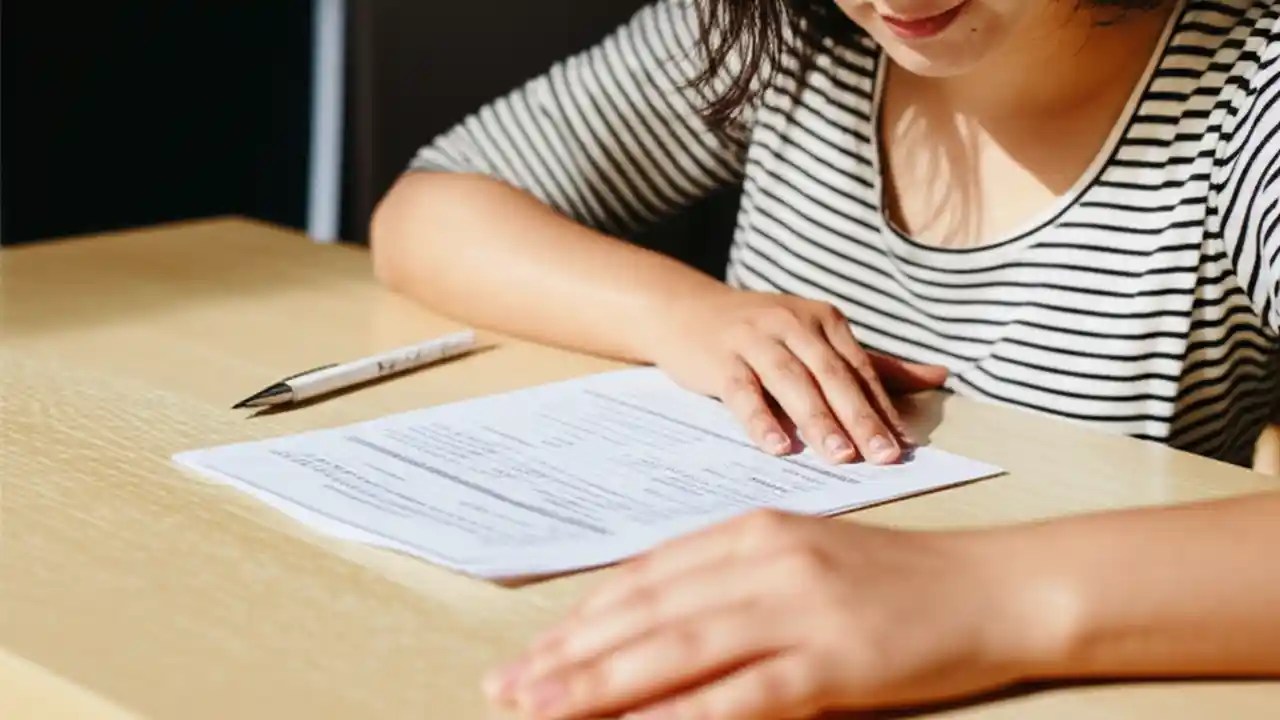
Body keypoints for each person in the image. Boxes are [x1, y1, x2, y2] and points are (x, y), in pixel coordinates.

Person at [371, 0, 1280, 716]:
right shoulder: (781, 28)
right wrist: (681, 313)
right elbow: (427, 213)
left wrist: (974, 596)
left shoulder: (1246, 92)